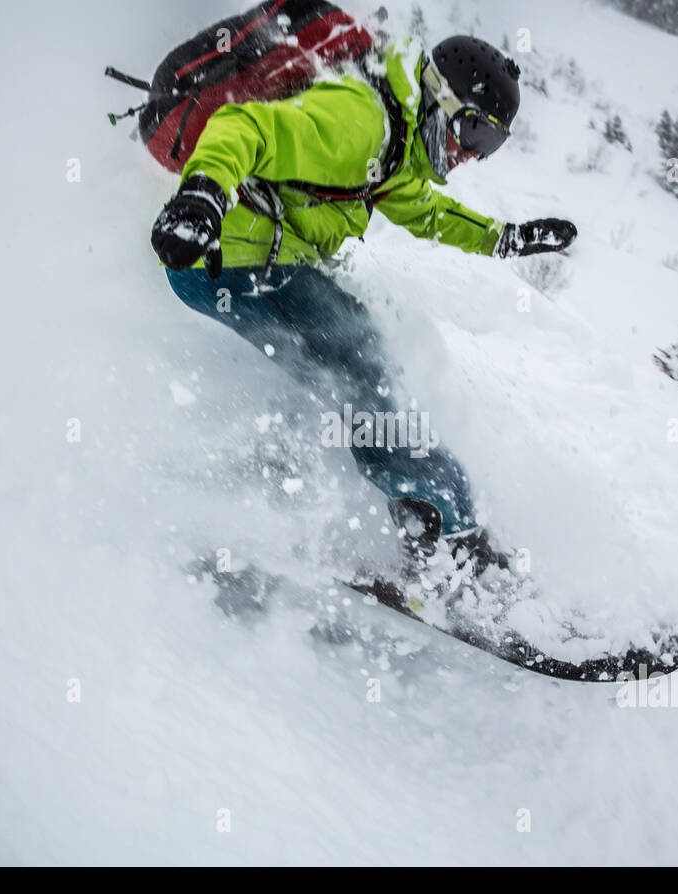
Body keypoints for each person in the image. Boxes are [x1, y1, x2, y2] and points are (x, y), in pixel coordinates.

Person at [151, 34, 577, 579]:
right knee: (361, 371)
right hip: (229, 263)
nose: (473, 153)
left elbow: (428, 212)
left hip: (271, 260)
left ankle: (295, 467)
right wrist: (203, 195)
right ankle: (446, 535)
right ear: (438, 97)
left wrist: (507, 238)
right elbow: (245, 129)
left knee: (361, 350)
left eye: (491, 143)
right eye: (473, 130)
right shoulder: (360, 124)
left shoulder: (399, 144)